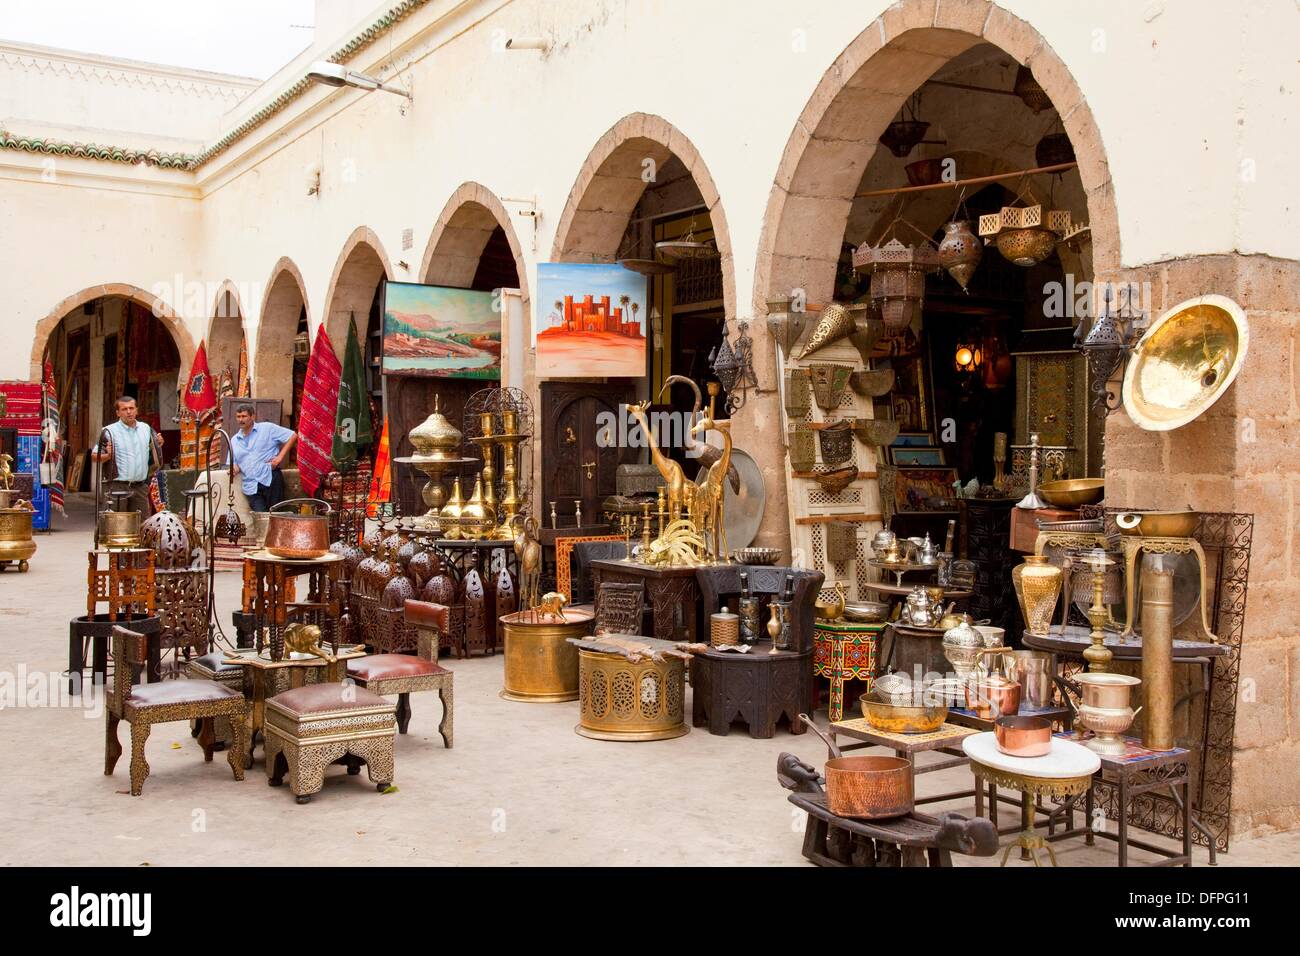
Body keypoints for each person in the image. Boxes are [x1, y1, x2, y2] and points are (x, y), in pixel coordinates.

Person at [92, 395, 162, 523]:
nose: (129, 412)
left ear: (137, 410)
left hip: (140, 486)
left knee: (141, 526)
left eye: (131, 408)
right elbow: (94, 456)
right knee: (116, 526)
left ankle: (138, 544)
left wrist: (158, 444)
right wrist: (108, 455)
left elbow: (154, 450)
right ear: (118, 413)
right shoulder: (109, 431)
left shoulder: (146, 429)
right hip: (117, 487)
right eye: (124, 409)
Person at [229, 403, 297, 512]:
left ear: (252, 417)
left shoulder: (267, 428)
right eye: (238, 416)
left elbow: (292, 435)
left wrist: (279, 457)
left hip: (270, 478)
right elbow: (235, 463)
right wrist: (234, 469)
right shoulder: (234, 440)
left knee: (276, 516)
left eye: (244, 416)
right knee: (259, 517)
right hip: (251, 485)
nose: (240, 419)